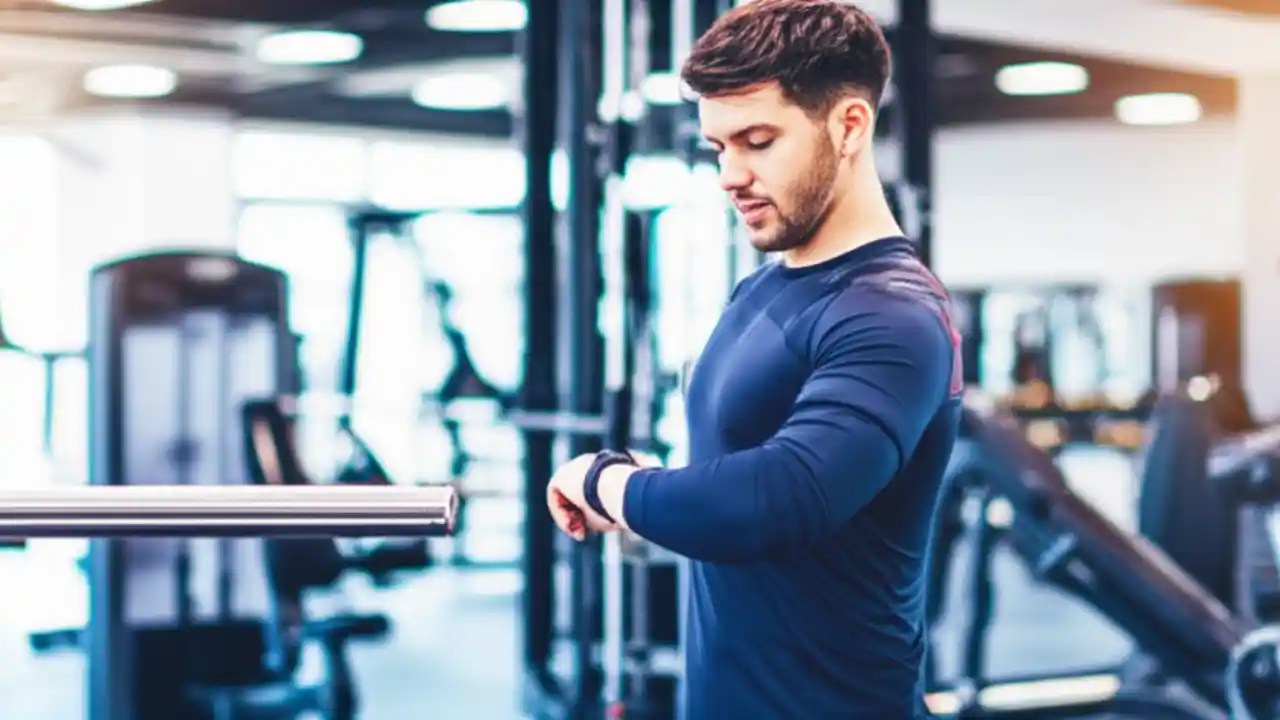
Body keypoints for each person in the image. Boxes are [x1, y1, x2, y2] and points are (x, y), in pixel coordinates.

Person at [545, 1, 964, 718]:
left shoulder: (893, 314)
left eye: (758, 140)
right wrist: (662, 494)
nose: (729, 175)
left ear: (849, 127)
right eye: (718, 148)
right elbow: (740, 468)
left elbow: (777, 502)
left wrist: (603, 479)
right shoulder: (765, 289)